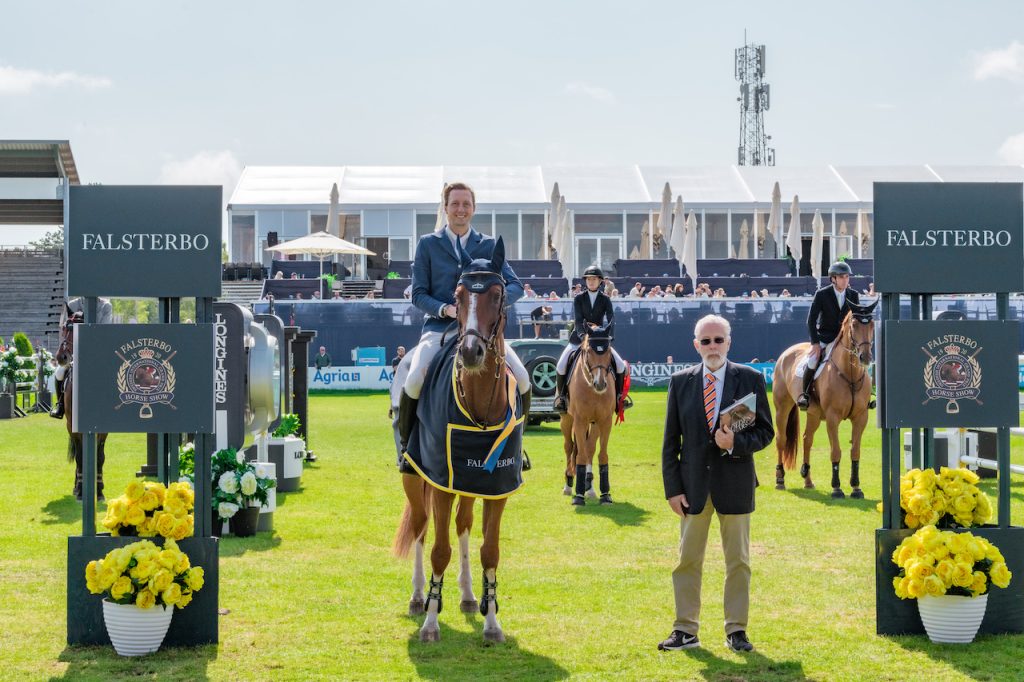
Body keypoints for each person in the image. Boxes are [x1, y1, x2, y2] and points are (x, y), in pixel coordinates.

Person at [659, 314, 774, 653]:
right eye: (706, 341)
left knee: (738, 561)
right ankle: (685, 630)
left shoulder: (750, 379)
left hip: (735, 485)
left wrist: (735, 444)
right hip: (692, 488)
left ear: (729, 342)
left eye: (718, 340)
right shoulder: (680, 382)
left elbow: (765, 432)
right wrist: (673, 489)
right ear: (696, 345)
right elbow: (670, 443)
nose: (712, 347)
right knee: (686, 561)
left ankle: (736, 630)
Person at [397, 182, 531, 452]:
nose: (461, 209)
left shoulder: (489, 244)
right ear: (445, 208)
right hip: (439, 329)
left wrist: (493, 305)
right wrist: (446, 309)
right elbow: (418, 293)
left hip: (484, 333)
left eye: (466, 204)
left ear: (474, 208)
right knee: (413, 381)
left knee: (523, 378)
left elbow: (515, 285)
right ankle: (408, 447)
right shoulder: (428, 245)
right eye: (455, 204)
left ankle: (516, 446)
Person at [553, 265, 629, 413]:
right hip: (579, 339)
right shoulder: (579, 298)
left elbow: (611, 319)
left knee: (620, 366)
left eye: (594, 279)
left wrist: (609, 337)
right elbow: (579, 320)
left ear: (600, 281)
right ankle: (561, 398)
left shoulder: (605, 299)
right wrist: (584, 337)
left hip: (599, 340)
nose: (591, 282)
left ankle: (620, 398)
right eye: (589, 279)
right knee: (561, 365)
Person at [797, 261, 861, 410]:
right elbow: (811, 320)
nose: (845, 280)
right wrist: (815, 343)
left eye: (847, 277)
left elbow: (855, 320)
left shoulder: (854, 295)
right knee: (813, 361)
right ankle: (805, 395)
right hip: (826, 338)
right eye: (841, 277)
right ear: (833, 279)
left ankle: (867, 394)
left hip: (845, 340)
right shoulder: (822, 294)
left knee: (862, 361)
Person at [51, 297, 113, 418]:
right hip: (75, 350)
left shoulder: (105, 306)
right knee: (59, 372)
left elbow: (105, 329)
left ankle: (112, 406)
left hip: (98, 350)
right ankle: (60, 406)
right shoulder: (73, 304)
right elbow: (65, 329)